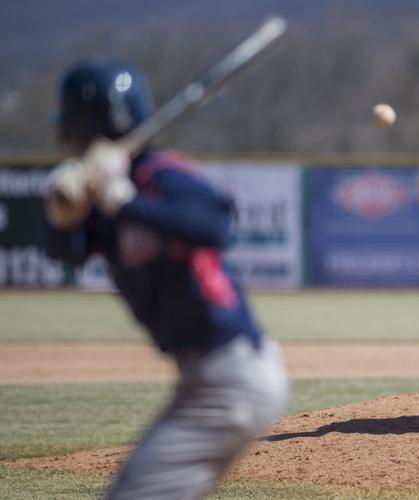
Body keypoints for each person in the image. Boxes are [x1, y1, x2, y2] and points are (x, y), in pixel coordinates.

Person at [44, 59, 289, 499]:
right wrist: (64, 214)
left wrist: (126, 200)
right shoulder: (99, 194)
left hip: (231, 375)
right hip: (202, 379)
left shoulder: (158, 175)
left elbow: (214, 227)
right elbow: (68, 254)